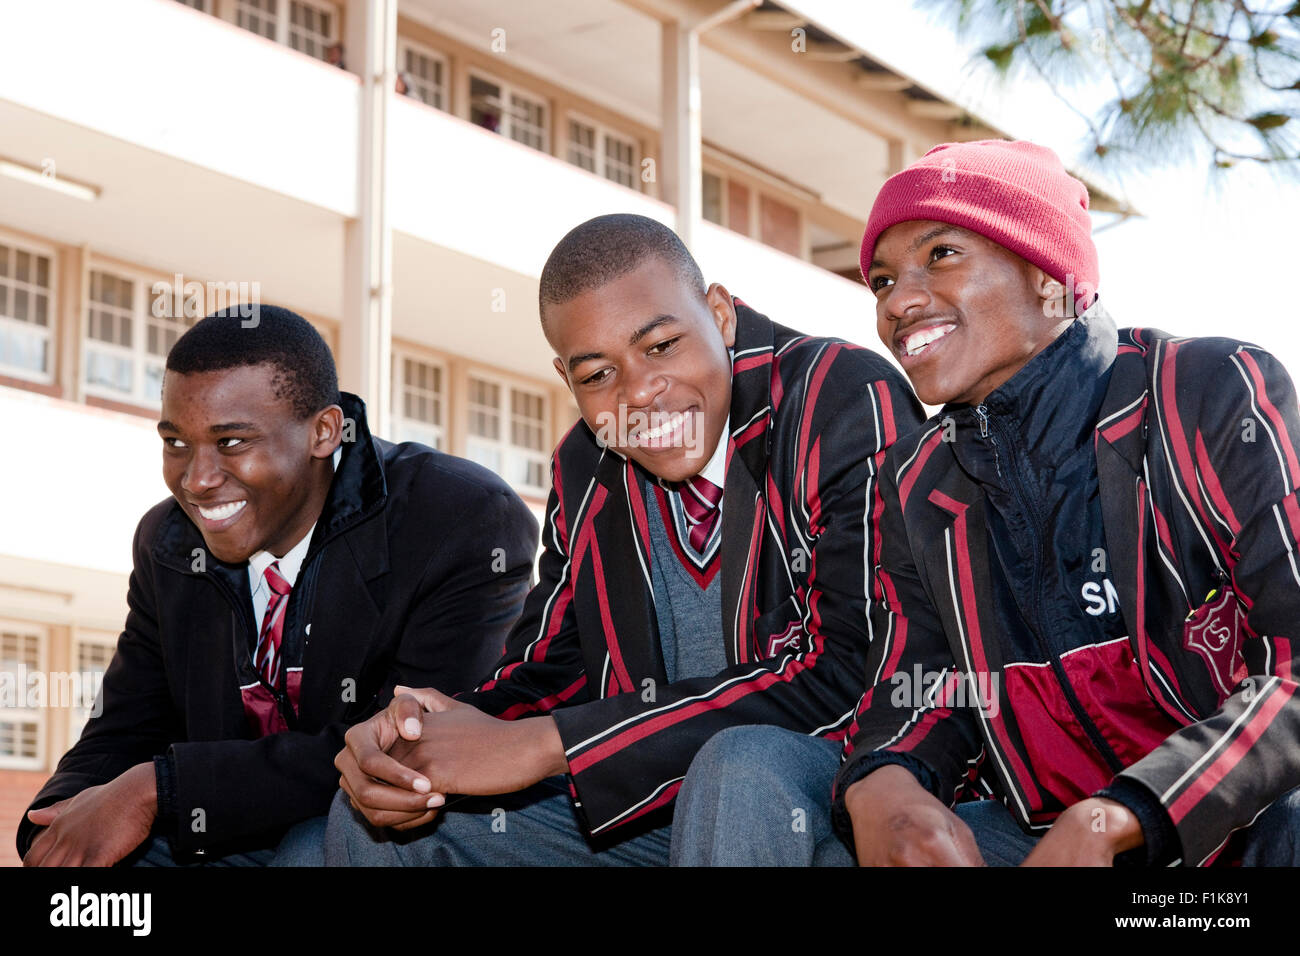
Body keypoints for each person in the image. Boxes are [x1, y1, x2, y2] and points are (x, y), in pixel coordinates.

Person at [325, 213, 923, 866]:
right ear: (566, 377)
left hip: (830, 800)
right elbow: (550, 670)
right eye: (597, 375)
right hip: (648, 805)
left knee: (739, 764)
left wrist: (556, 745)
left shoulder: (837, 396)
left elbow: (853, 672)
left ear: (719, 314)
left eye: (661, 345)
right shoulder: (587, 465)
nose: (638, 393)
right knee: (384, 811)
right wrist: (423, 733)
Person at [825, 139, 1300, 866]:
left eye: (942, 254)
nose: (899, 301)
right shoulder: (915, 483)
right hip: (1041, 840)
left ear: (1049, 272)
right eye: (882, 280)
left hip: (1248, 824)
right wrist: (886, 784)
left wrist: (1124, 815)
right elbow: (924, 689)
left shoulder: (1209, 391)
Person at [18, 304, 536, 866]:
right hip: (225, 831)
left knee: (312, 850)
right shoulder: (168, 542)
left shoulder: (459, 519)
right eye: (176, 443)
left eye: (233, 442)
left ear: (323, 431)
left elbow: (413, 748)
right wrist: (61, 816)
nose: (197, 480)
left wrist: (156, 788)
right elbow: (125, 722)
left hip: (394, 833)